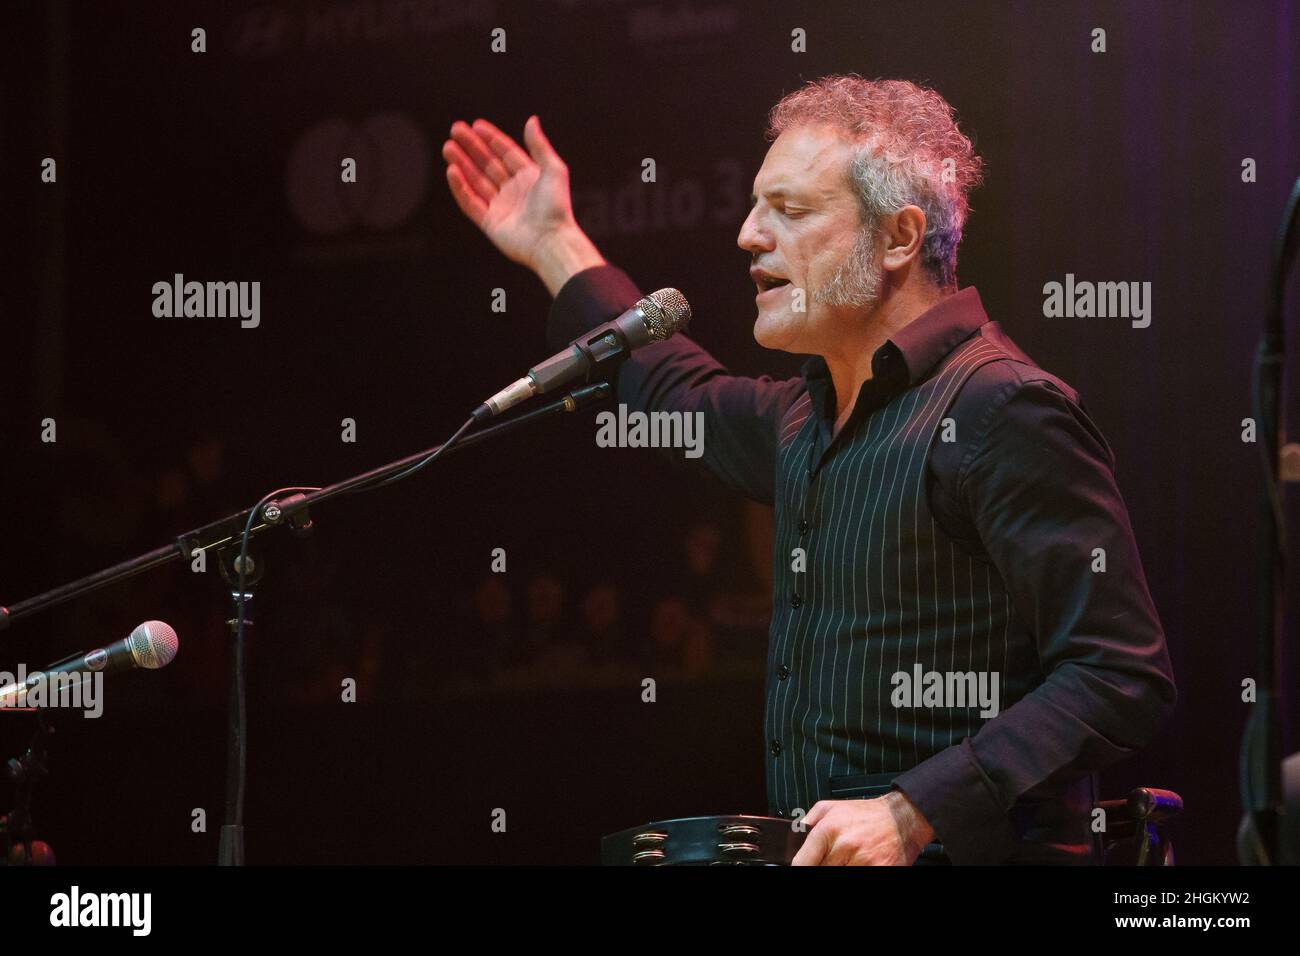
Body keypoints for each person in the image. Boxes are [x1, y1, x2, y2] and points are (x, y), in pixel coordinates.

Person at [440, 75, 1177, 865]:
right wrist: (555, 242)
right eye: (757, 207)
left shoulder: (1005, 410)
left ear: (897, 239)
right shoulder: (806, 415)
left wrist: (912, 811)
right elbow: (674, 389)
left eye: (789, 211)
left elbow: (1119, 675)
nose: (748, 236)